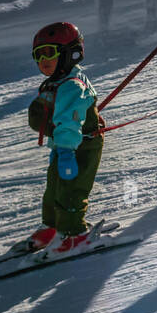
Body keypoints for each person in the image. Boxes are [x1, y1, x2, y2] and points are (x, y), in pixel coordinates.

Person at [25, 22, 106, 257]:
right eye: (38, 55)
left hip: (81, 147)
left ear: (70, 53)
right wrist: (59, 149)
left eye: (48, 52)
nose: (43, 60)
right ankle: (51, 226)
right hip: (64, 146)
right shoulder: (58, 81)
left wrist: (66, 152)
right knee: (53, 189)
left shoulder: (71, 85)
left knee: (71, 191)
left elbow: (69, 124)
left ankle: (72, 235)